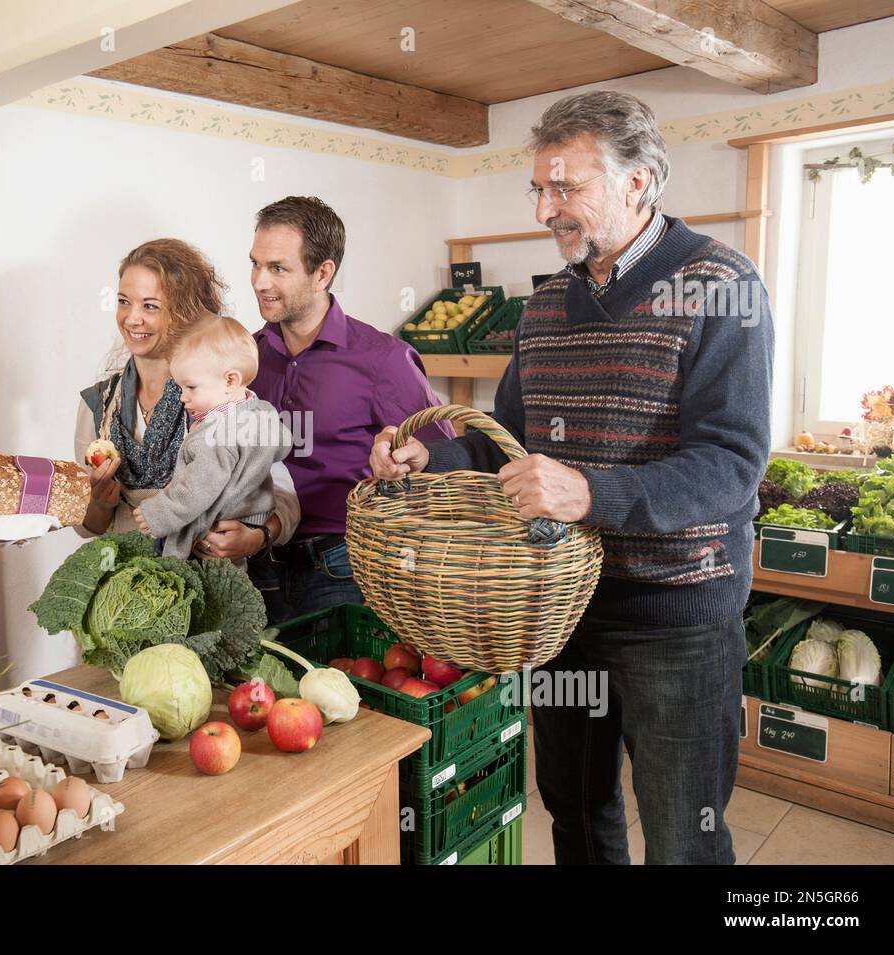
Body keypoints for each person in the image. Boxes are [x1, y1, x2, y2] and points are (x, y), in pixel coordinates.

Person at [371, 91, 773, 865]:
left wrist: (591, 492)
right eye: (540, 188)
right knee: (577, 816)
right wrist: (436, 455)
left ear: (639, 182)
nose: (548, 208)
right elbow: (510, 449)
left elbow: (731, 466)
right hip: (559, 608)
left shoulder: (722, 283)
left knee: (683, 837)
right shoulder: (546, 303)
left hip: (677, 616)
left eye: (568, 187)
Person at [241, 196, 453, 623]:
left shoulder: (384, 360)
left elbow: (443, 465)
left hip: (345, 571)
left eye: (278, 268)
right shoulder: (245, 358)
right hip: (258, 567)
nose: (260, 281)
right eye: (255, 264)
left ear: (323, 273)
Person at [75, 239, 300, 551]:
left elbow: (280, 491)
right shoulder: (98, 404)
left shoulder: (219, 396)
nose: (132, 318)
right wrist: (99, 501)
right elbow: (88, 527)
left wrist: (257, 538)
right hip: (122, 572)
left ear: (184, 312)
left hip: (201, 568)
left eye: (150, 305)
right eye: (124, 301)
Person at [133, 315, 292, 559]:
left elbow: (197, 489)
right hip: (251, 525)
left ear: (230, 380)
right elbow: (283, 445)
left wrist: (157, 513)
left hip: (211, 530)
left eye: (191, 387)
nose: (182, 397)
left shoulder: (215, 436)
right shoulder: (261, 412)